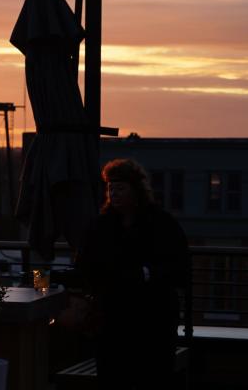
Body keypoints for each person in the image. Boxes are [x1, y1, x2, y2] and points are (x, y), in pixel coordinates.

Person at [77, 158, 188, 389]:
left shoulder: (161, 224)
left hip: (153, 319)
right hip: (112, 319)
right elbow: (84, 265)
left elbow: (179, 267)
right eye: (111, 188)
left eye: (120, 188)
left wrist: (145, 274)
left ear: (136, 190)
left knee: (151, 375)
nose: (114, 193)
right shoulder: (100, 226)